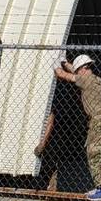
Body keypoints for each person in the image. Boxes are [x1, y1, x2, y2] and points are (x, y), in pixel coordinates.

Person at [54, 53, 101, 201]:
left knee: (94, 154)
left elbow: (63, 75)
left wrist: (55, 64)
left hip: (97, 121)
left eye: (78, 69)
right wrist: (65, 62)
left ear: (83, 69)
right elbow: (74, 71)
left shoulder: (84, 79)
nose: (77, 72)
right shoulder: (97, 80)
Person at [35, 49, 84, 191]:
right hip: (60, 122)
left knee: (51, 155)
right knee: (50, 155)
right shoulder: (85, 79)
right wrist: (63, 62)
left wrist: (59, 63)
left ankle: (50, 185)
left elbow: (63, 74)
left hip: (61, 123)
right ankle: (48, 184)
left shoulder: (64, 86)